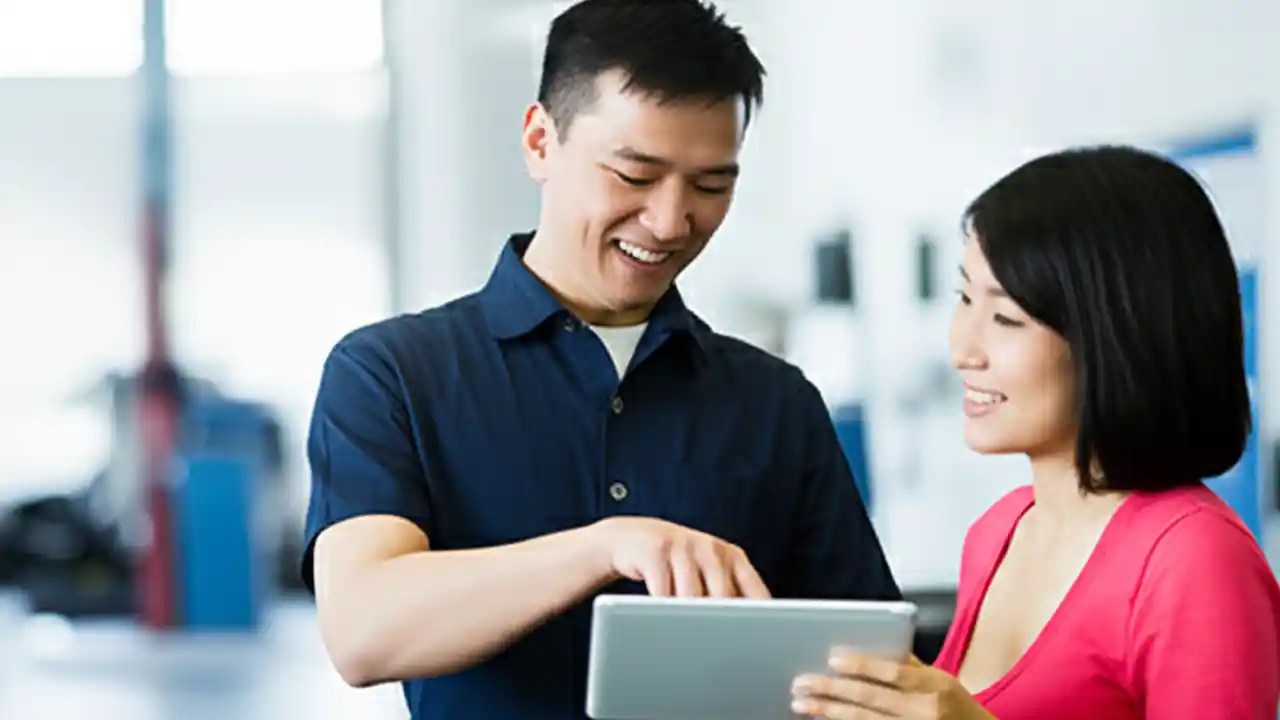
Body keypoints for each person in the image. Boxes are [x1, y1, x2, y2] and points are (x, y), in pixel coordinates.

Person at [302, 1, 900, 718]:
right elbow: (363, 633)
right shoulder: (393, 375)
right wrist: (604, 549)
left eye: (711, 186)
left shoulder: (777, 404)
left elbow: (870, 672)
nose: (670, 221)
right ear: (540, 142)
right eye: (634, 176)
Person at [789, 145, 1280, 719]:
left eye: (1006, 318)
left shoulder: (1195, 560)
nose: (963, 350)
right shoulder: (1001, 530)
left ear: (1113, 339)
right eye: (964, 298)